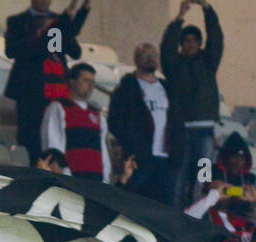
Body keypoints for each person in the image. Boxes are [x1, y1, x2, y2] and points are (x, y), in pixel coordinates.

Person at [4, 0, 89, 161]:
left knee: (57, 134)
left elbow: (74, 51)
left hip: (55, 87)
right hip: (30, 91)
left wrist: (82, 10)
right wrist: (57, 25)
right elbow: (12, 51)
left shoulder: (59, 21)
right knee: (32, 140)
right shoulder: (16, 21)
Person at [161, 0, 224, 206]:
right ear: (181, 43)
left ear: (199, 43)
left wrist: (207, 8)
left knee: (202, 179)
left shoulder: (208, 62)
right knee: (178, 181)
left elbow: (216, 39)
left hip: (206, 132)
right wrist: (180, 17)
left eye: (195, 40)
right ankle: (174, 223)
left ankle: (199, 219)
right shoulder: (173, 64)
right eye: (186, 40)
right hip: (182, 133)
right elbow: (166, 47)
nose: (190, 43)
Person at [109, 43, 179, 206]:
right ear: (136, 59)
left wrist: (177, 151)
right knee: (135, 204)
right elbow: (115, 122)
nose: (151, 59)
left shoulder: (167, 89)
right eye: (146, 55)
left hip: (167, 160)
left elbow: (177, 123)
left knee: (164, 208)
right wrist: (134, 146)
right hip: (140, 159)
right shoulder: (126, 89)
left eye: (154, 55)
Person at [41, 63, 111, 182]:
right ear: (72, 82)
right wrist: (64, 177)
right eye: (85, 80)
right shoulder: (58, 108)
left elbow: (103, 151)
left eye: (92, 82)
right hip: (72, 180)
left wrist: (105, 179)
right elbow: (53, 146)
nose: (90, 86)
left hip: (96, 182)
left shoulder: (97, 115)